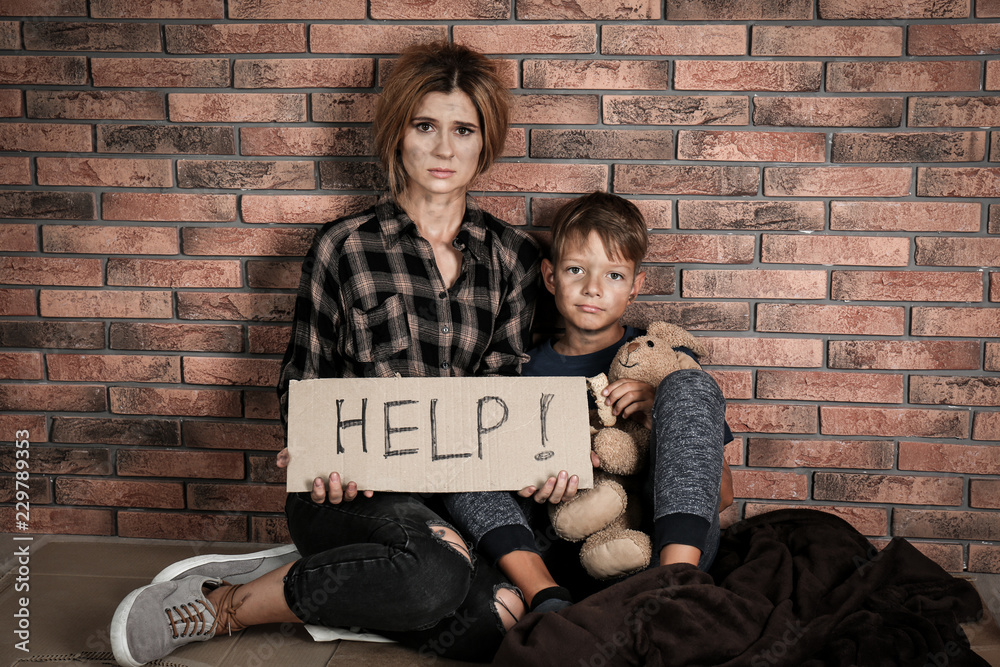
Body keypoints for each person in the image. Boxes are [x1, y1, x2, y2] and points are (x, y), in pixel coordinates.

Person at [110, 41, 570, 667]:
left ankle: (343, 579)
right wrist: (317, 454)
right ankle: (227, 603)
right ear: (397, 133)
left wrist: (544, 458)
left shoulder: (512, 256)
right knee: (430, 579)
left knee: (498, 623)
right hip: (355, 493)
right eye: (425, 126)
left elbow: (509, 393)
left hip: (460, 498)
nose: (443, 149)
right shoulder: (345, 248)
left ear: (484, 142)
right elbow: (305, 379)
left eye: (463, 130)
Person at [444, 192, 735, 602]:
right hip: (567, 554)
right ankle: (544, 597)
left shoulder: (662, 361)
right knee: (461, 450)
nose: (593, 289)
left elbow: (722, 496)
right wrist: (533, 482)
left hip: (662, 548)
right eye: (576, 270)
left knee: (689, 386)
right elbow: (504, 484)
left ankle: (673, 592)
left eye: (613, 276)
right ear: (550, 277)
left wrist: (656, 415)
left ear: (635, 287)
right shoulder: (521, 374)